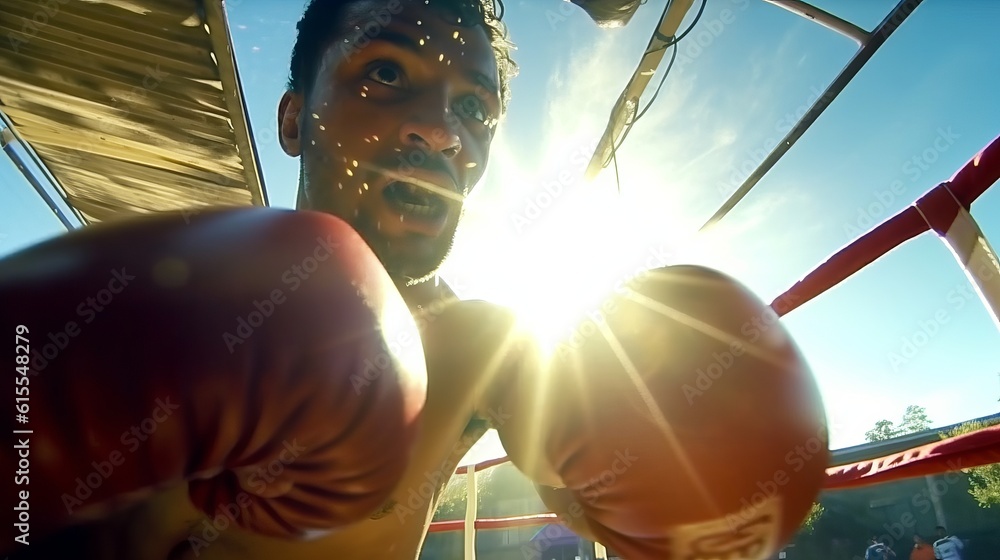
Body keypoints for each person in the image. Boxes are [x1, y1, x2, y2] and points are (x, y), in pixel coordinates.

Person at [1, 1, 829, 558]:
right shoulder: (184, 309)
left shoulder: (493, 350)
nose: (439, 131)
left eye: (475, 108)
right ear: (294, 118)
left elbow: (661, 509)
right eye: (387, 73)